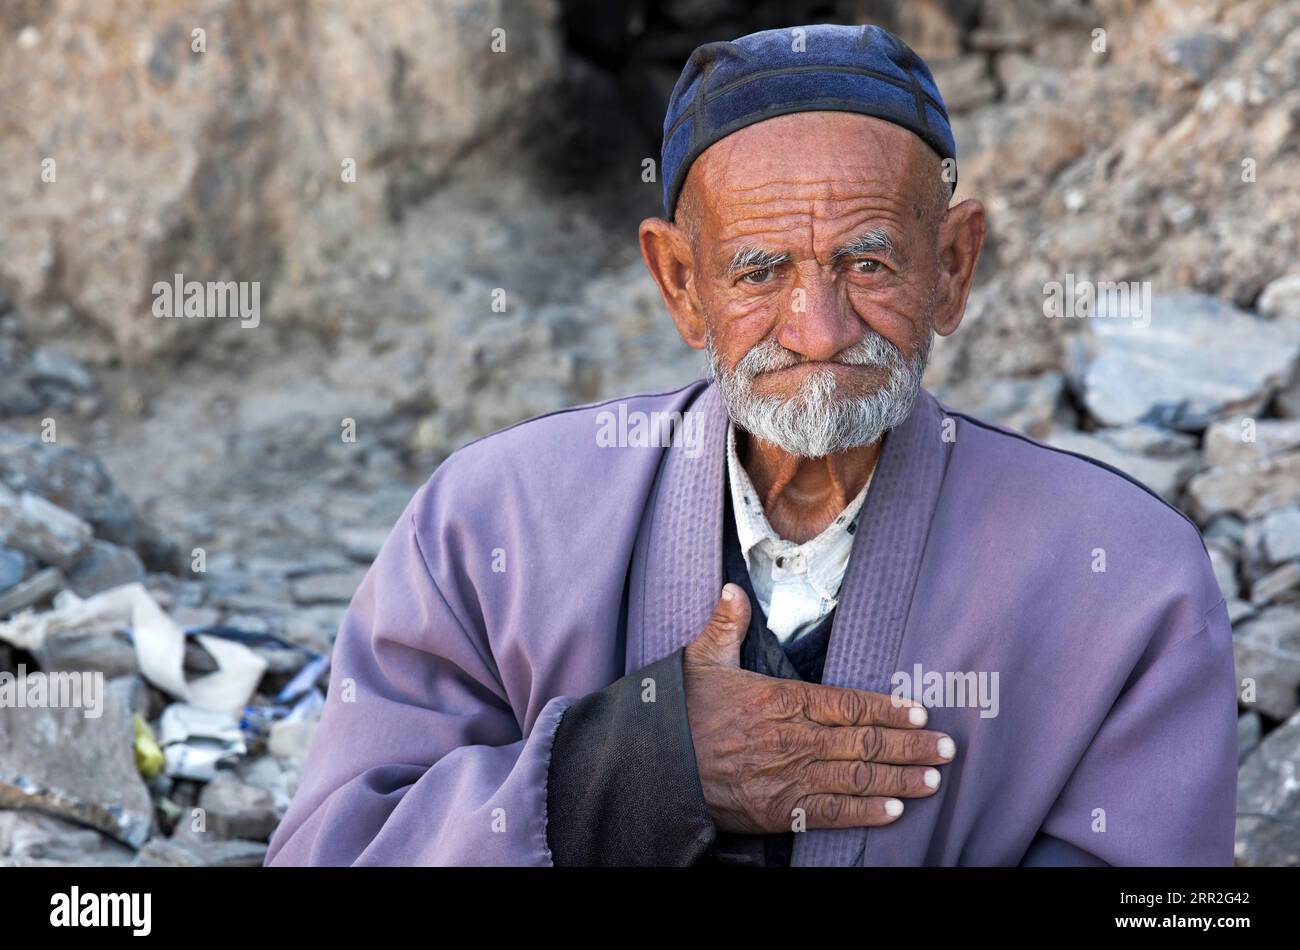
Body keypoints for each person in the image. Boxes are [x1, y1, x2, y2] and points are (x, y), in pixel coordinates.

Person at [265, 23, 1236, 867]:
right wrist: (630, 766)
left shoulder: (1126, 574)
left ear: (951, 265)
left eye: (867, 262)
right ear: (680, 283)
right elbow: (334, 849)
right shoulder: (487, 522)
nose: (817, 329)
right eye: (759, 271)